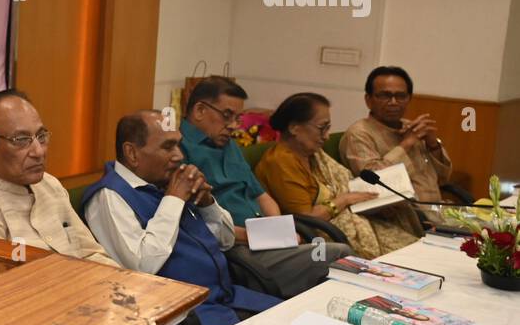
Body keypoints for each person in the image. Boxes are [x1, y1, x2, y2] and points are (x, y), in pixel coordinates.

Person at [82, 111, 282, 325]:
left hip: (225, 296)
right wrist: (174, 199)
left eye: (178, 144)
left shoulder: (164, 180)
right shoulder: (109, 197)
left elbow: (227, 241)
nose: (179, 156)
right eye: (168, 147)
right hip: (185, 318)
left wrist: (208, 204)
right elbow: (141, 265)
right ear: (132, 153)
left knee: (292, 324)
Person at [180, 76, 350, 296]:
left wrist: (277, 230)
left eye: (238, 118)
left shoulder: (227, 143)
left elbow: (262, 195)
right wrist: (259, 237)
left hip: (265, 240)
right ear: (200, 110)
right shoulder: (178, 149)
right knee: (339, 256)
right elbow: (196, 223)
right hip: (236, 252)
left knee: (335, 259)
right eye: (227, 116)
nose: (233, 126)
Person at [0, 90, 118, 266]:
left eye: (41, 136)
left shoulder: (49, 185)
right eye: (21, 140)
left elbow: (90, 254)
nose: (39, 151)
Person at [255, 93, 422, 260]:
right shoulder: (280, 162)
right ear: (294, 128)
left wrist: (374, 203)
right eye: (322, 128)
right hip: (320, 239)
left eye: (328, 128)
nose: (327, 136)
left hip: (353, 221)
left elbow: (340, 185)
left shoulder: (312, 154)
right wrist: (344, 200)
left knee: (418, 254)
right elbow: (307, 219)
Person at [340, 66, 453, 210]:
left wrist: (433, 145)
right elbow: (373, 182)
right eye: (384, 95)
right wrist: (406, 144)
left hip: (437, 211)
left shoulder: (411, 127)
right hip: (404, 218)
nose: (393, 102)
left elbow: (443, 179)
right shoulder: (359, 133)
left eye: (400, 96)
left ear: (409, 99)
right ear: (368, 100)